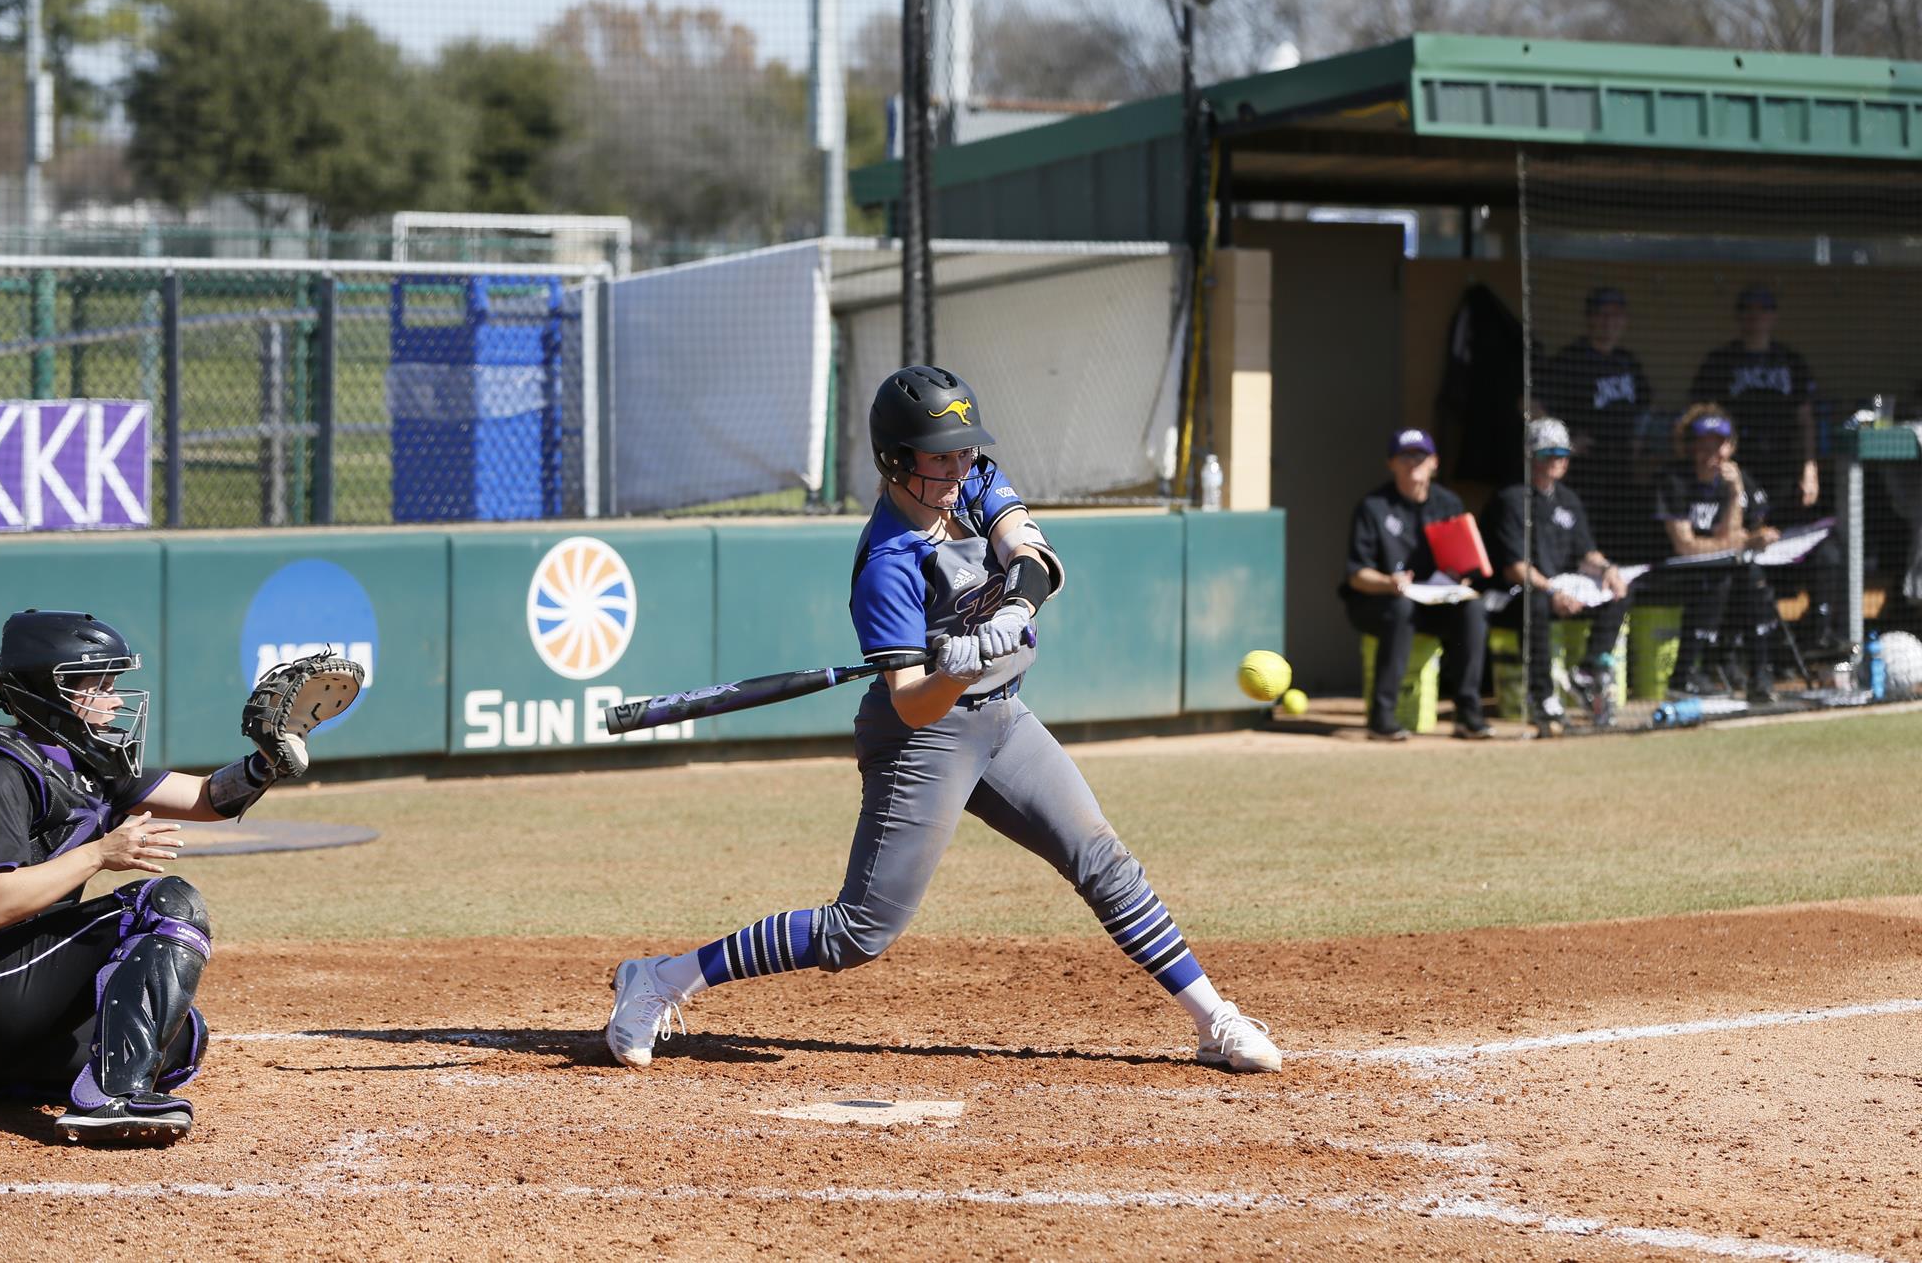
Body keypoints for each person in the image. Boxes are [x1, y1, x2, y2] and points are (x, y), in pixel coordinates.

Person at [603, 365, 1282, 1076]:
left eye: (964, 449)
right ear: (898, 460)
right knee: (857, 932)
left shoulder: (974, 479)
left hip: (1003, 721)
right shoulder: (888, 566)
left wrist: (1015, 610)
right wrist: (953, 668)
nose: (959, 465)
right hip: (922, 739)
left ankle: (1214, 1019)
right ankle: (659, 978)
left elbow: (1036, 557)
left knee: (1101, 858)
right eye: (940, 454)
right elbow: (910, 701)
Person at [0, 611, 327, 1143]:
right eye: (98, 684)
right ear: (51, 689)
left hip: (3, 999)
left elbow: (206, 798)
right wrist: (99, 854)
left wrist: (267, 760)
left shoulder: (81, 763)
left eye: (115, 683)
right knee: (166, 903)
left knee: (178, 1040)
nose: (115, 699)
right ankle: (108, 1102)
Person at [1690, 284, 1838, 646]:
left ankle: (1816, 636)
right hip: (1740, 473)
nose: (1756, 317)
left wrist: (1809, 467)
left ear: (1773, 316)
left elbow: (1805, 420)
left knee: (1826, 551)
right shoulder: (1720, 362)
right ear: (1739, 316)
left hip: (1786, 473)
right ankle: (1739, 644)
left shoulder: (1790, 361)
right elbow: (1701, 419)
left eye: (1763, 309)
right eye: (1749, 310)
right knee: (1744, 553)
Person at [1340, 428, 1493, 743]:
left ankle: (1468, 713)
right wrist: (1388, 582)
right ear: (1391, 463)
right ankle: (1381, 718)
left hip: (1433, 600)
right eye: (1405, 457)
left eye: (1420, 457)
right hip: (1380, 601)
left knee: (1473, 608)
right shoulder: (1374, 507)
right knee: (1400, 608)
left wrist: (1461, 576)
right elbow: (1357, 575)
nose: (1413, 464)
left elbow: (1465, 563)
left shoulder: (1448, 502)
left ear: (1434, 462)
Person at [1479, 419, 1631, 734]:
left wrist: (1608, 570)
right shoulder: (1511, 499)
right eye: (1548, 454)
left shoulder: (1568, 500)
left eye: (1562, 454)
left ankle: (1587, 671)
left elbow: (1586, 553)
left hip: (1562, 590)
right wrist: (1552, 593)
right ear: (1529, 456)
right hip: (1512, 594)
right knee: (1533, 602)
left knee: (1620, 592)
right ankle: (1543, 697)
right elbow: (1514, 568)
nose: (1556, 461)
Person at [1641, 406, 1784, 700]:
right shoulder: (1674, 480)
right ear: (1691, 446)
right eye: (1703, 443)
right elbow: (1685, 545)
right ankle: (1686, 673)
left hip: (1723, 566)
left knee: (1753, 576)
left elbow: (1741, 534)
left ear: (1730, 446)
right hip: (1671, 568)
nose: (1711, 451)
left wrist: (1734, 493)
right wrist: (1741, 541)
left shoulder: (1738, 478)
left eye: (1718, 443)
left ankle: (1760, 673)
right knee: (1720, 577)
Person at [1533, 287, 1653, 562]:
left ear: (1625, 320)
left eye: (1616, 315)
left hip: (1622, 467)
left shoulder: (1628, 361)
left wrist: (1638, 440)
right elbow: (1531, 405)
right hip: (1584, 470)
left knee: (1620, 537)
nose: (1609, 322)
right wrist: (1562, 445)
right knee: (1584, 535)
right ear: (1589, 319)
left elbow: (1647, 406)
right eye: (1602, 315)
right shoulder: (1571, 360)